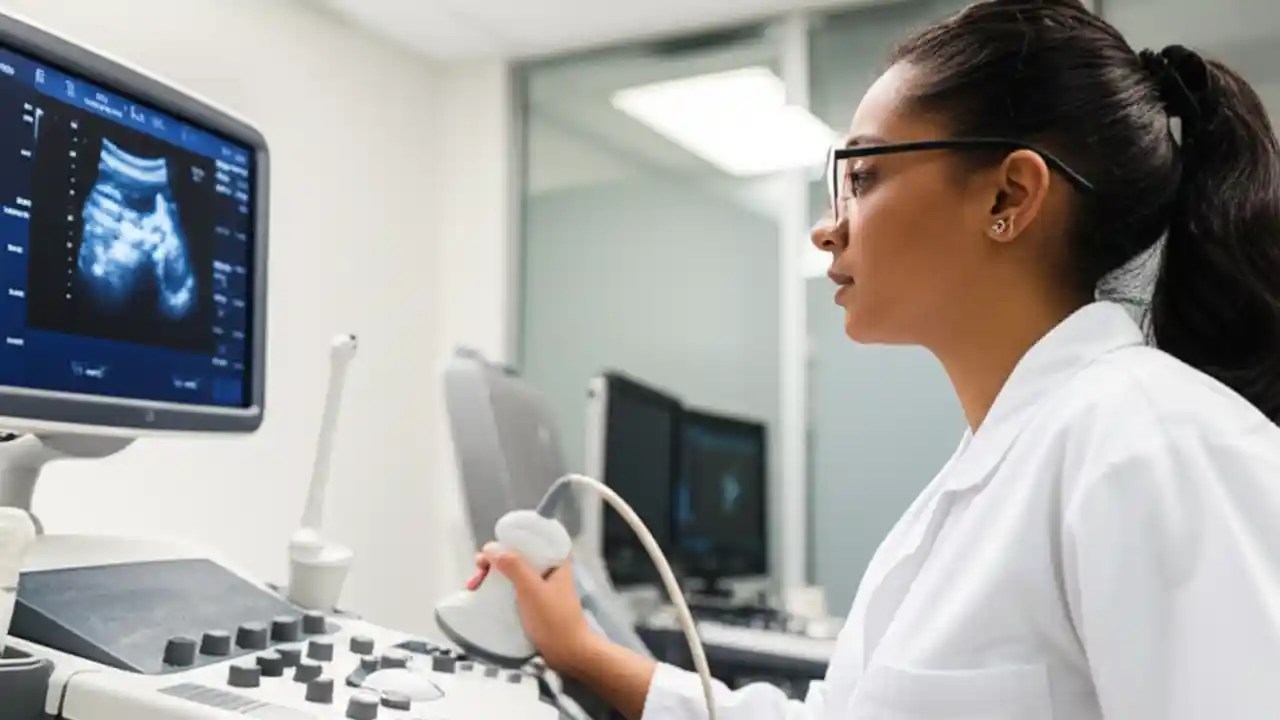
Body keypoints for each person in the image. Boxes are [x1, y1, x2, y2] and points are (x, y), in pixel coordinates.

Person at [468, 0, 1280, 717]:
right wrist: (583, 652)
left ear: (1008, 197)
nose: (827, 229)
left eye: (861, 177)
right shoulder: (981, 480)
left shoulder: (1151, 442)